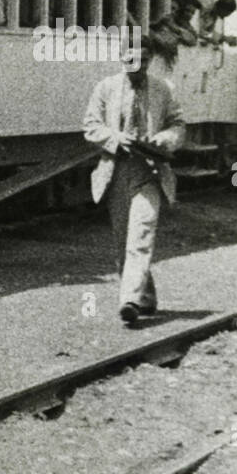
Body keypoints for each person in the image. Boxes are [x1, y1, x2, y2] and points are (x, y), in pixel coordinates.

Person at [83, 40, 186, 324]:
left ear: (149, 60)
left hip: (149, 173)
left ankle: (128, 299)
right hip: (116, 172)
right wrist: (116, 139)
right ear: (121, 57)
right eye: (130, 60)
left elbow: (178, 125)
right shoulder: (105, 88)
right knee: (123, 242)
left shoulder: (163, 90)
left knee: (141, 235)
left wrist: (164, 139)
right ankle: (146, 297)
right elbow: (90, 126)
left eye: (141, 61)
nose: (135, 67)